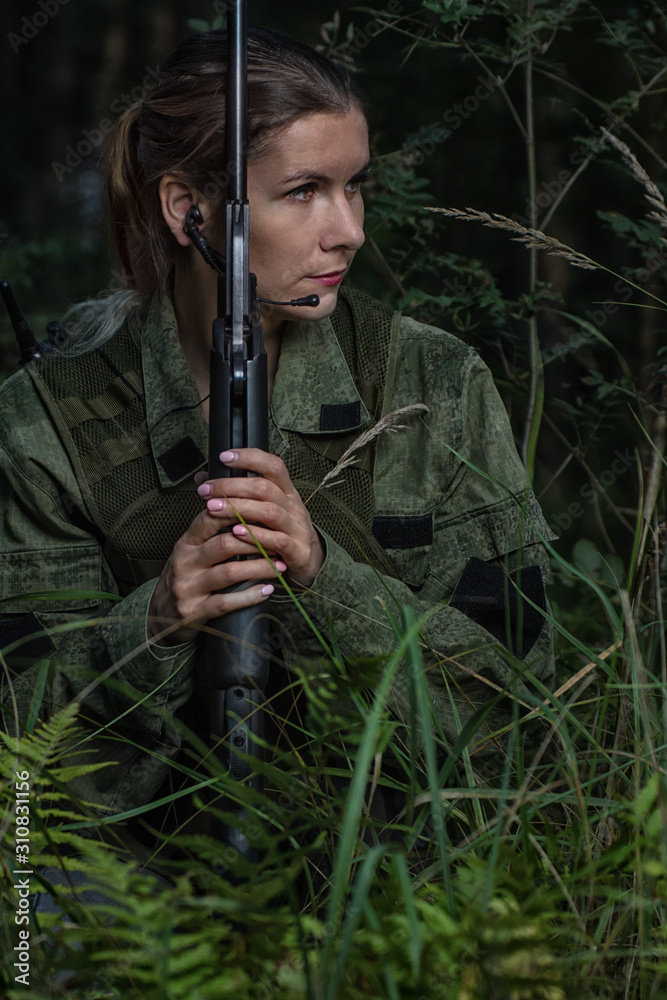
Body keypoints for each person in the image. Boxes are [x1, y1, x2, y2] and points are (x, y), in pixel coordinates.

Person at [0, 27, 554, 858]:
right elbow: (20, 765)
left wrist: (326, 580)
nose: (348, 230)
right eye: (304, 192)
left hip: (392, 890)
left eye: (354, 187)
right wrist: (154, 623)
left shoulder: (430, 381)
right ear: (188, 209)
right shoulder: (44, 423)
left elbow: (519, 720)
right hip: (129, 896)